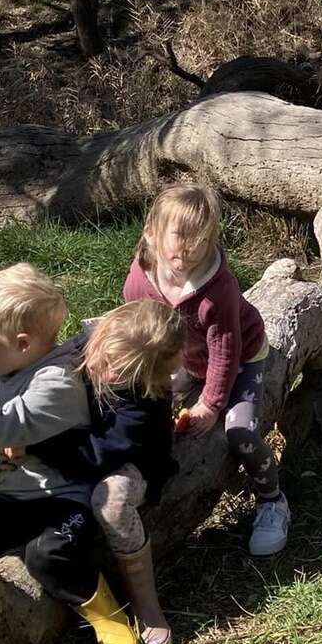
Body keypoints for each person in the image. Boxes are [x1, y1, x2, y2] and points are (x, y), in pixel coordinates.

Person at [0, 263, 139, 644]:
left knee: (49, 555)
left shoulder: (56, 383)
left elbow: (5, 425)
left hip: (61, 497)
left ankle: (103, 610)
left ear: (22, 343)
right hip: (10, 494)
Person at [122, 184, 287, 556]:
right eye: (179, 234)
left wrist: (211, 405)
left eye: (201, 236)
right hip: (184, 358)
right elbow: (138, 331)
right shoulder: (140, 278)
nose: (190, 246)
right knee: (151, 409)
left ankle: (272, 499)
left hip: (243, 357)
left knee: (239, 429)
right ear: (151, 232)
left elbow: (225, 350)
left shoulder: (218, 289)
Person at [28, 299, 182, 644]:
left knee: (110, 501)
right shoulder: (91, 344)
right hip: (80, 446)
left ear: (144, 376)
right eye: (107, 359)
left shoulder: (143, 406)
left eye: (121, 371)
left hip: (130, 462)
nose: (106, 370)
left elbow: (99, 455)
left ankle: (146, 603)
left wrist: (38, 445)